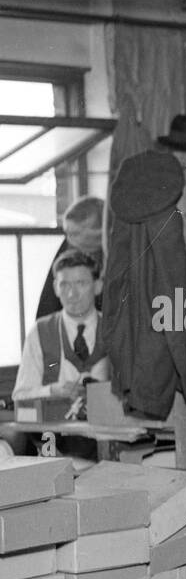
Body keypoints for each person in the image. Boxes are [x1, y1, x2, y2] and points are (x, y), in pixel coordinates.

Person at [5, 250, 111, 463]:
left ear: (98, 286)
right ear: (55, 288)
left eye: (81, 283)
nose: (72, 294)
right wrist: (53, 390)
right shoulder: (40, 331)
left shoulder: (115, 330)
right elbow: (20, 396)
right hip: (54, 441)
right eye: (64, 285)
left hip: (106, 436)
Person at [34, 196, 104, 321]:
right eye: (68, 233)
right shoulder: (69, 248)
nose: (70, 239)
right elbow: (49, 304)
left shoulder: (118, 252)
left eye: (76, 234)